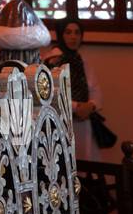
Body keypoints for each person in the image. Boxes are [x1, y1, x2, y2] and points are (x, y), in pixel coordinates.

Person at [44, 18, 104, 160]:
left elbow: (95, 89)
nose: (73, 37)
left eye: (77, 33)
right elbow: (49, 94)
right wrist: (76, 107)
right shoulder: (52, 61)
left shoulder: (81, 60)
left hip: (85, 123)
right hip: (60, 123)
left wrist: (91, 105)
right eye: (68, 32)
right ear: (60, 35)